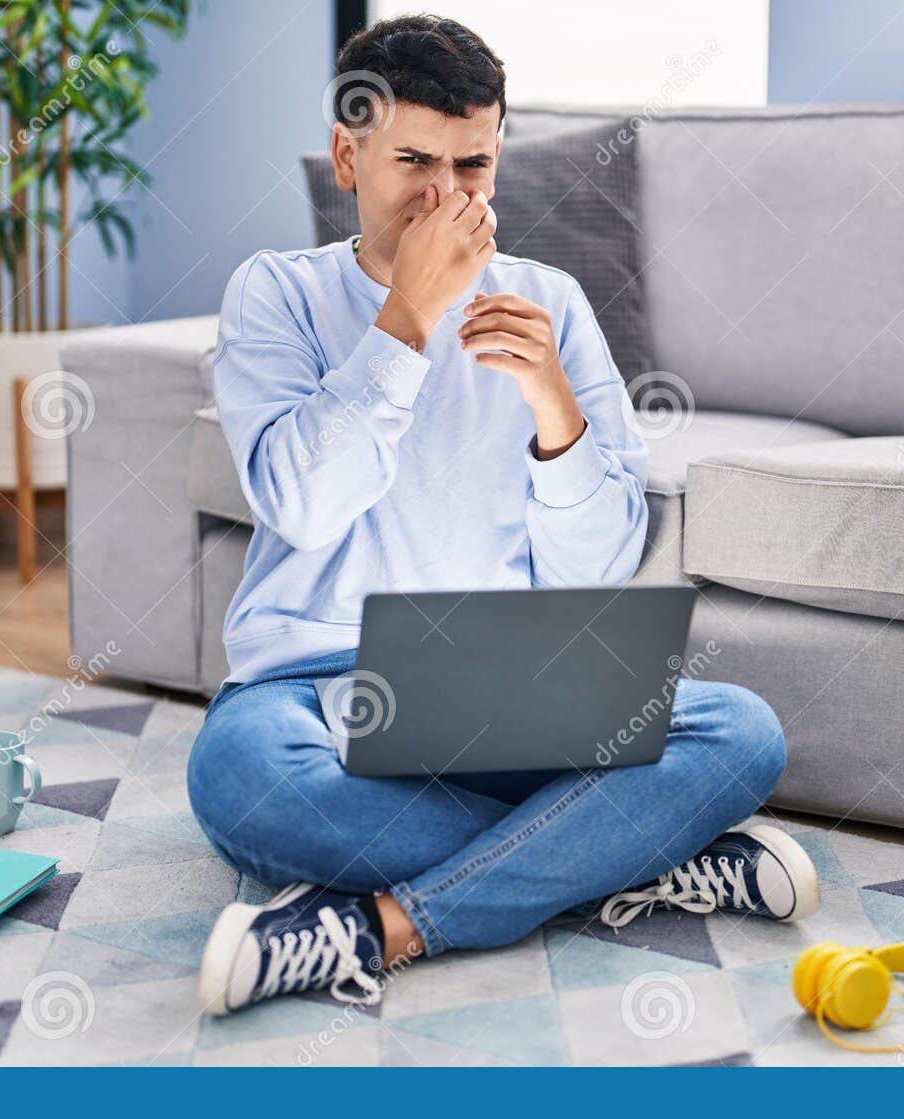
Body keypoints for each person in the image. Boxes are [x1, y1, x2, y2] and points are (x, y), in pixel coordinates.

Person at [187, 13, 818, 1015]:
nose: (446, 197)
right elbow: (301, 503)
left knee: (741, 730)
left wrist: (555, 413)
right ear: (349, 157)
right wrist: (407, 322)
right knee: (241, 784)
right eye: (413, 163)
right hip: (310, 686)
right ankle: (636, 851)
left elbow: (596, 570)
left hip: (503, 689)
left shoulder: (550, 303)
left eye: (472, 165)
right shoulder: (278, 295)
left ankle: (384, 924)